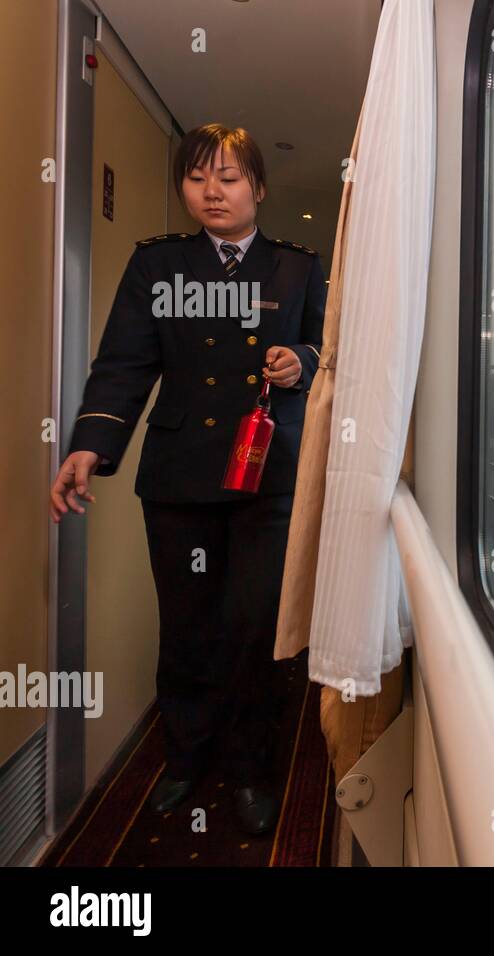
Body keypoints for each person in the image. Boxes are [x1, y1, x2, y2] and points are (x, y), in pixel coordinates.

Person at [49, 123, 326, 836]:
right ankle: (185, 757)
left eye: (228, 178)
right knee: (187, 625)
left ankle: (251, 766)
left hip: (266, 476)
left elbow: (330, 350)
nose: (212, 191)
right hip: (180, 476)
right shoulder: (158, 265)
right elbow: (124, 362)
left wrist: (300, 360)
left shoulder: (297, 268)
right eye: (197, 178)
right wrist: (90, 445)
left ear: (258, 187)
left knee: (253, 628)